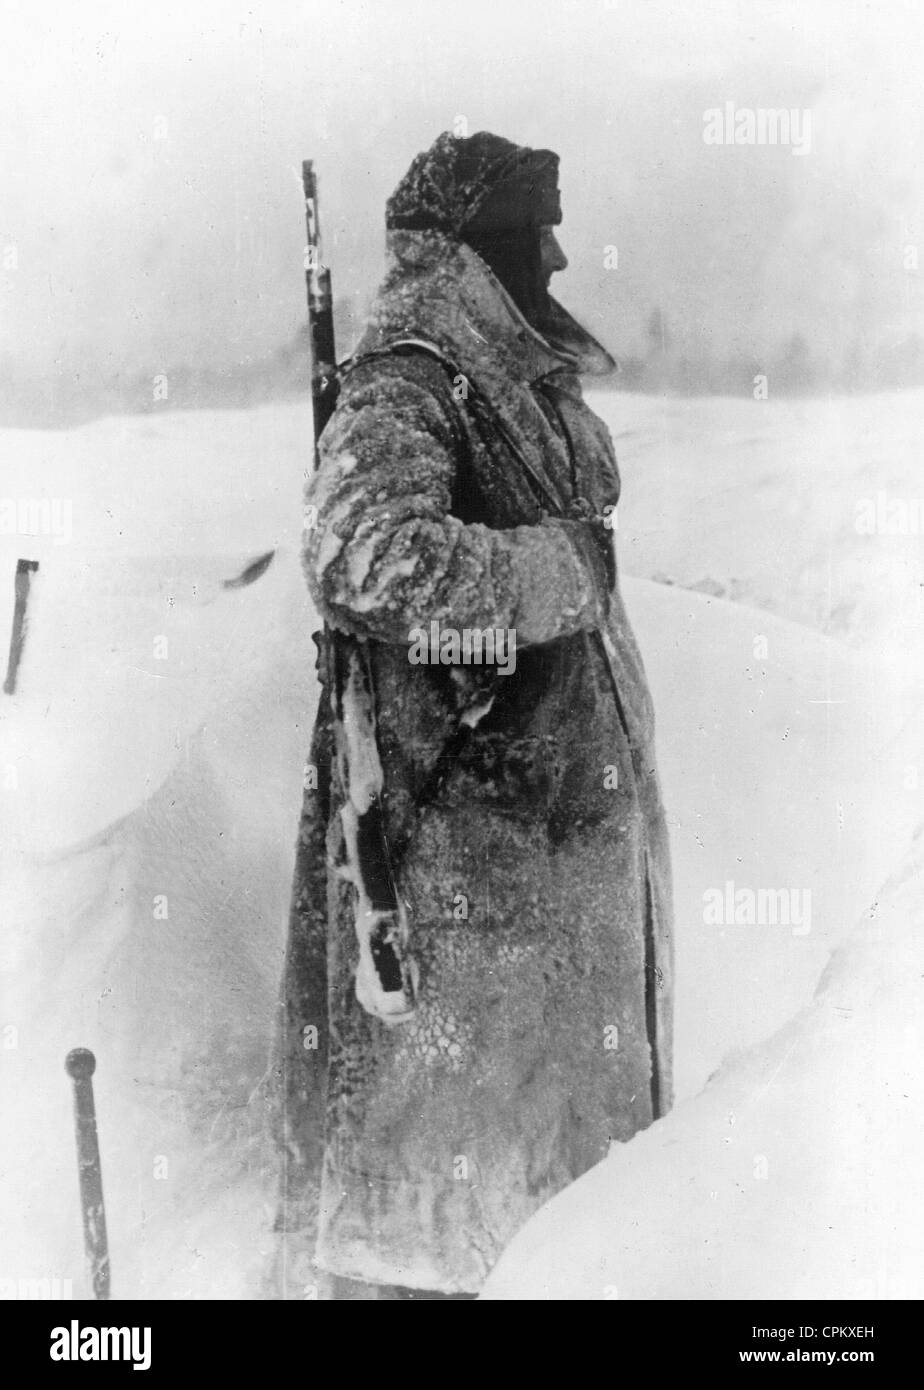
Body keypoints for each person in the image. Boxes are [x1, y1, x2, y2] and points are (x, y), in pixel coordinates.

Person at [271, 130, 673, 1300]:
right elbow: (362, 551)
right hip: (466, 874)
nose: (554, 250)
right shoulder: (413, 374)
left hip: (530, 874)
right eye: (530, 228)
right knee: (439, 1226)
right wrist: (552, 578)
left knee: (541, 1209)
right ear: (474, 246)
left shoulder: (503, 379)